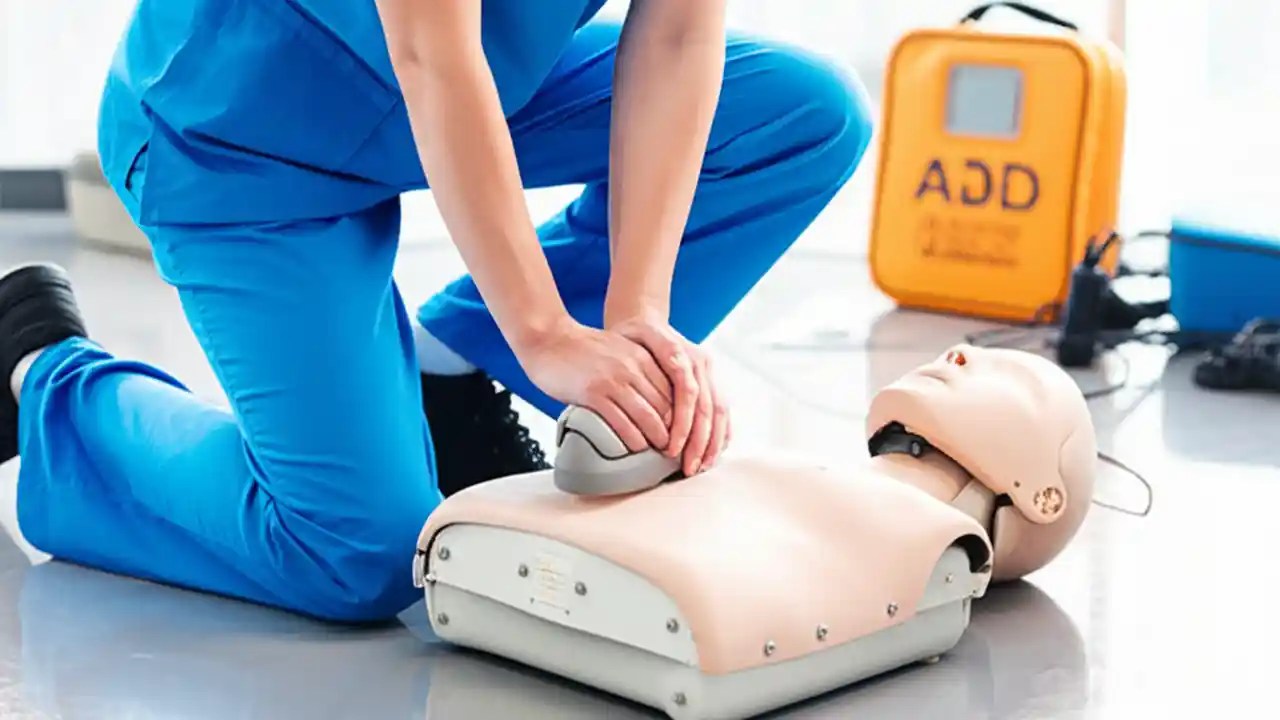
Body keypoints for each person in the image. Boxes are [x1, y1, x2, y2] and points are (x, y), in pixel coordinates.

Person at [0, 0, 871, 622]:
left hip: (471, 90)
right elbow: (430, 53)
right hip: (243, 137)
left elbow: (678, 31)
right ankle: (46, 380)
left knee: (801, 116)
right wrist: (544, 333)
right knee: (361, 555)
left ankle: (449, 372)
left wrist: (635, 310)